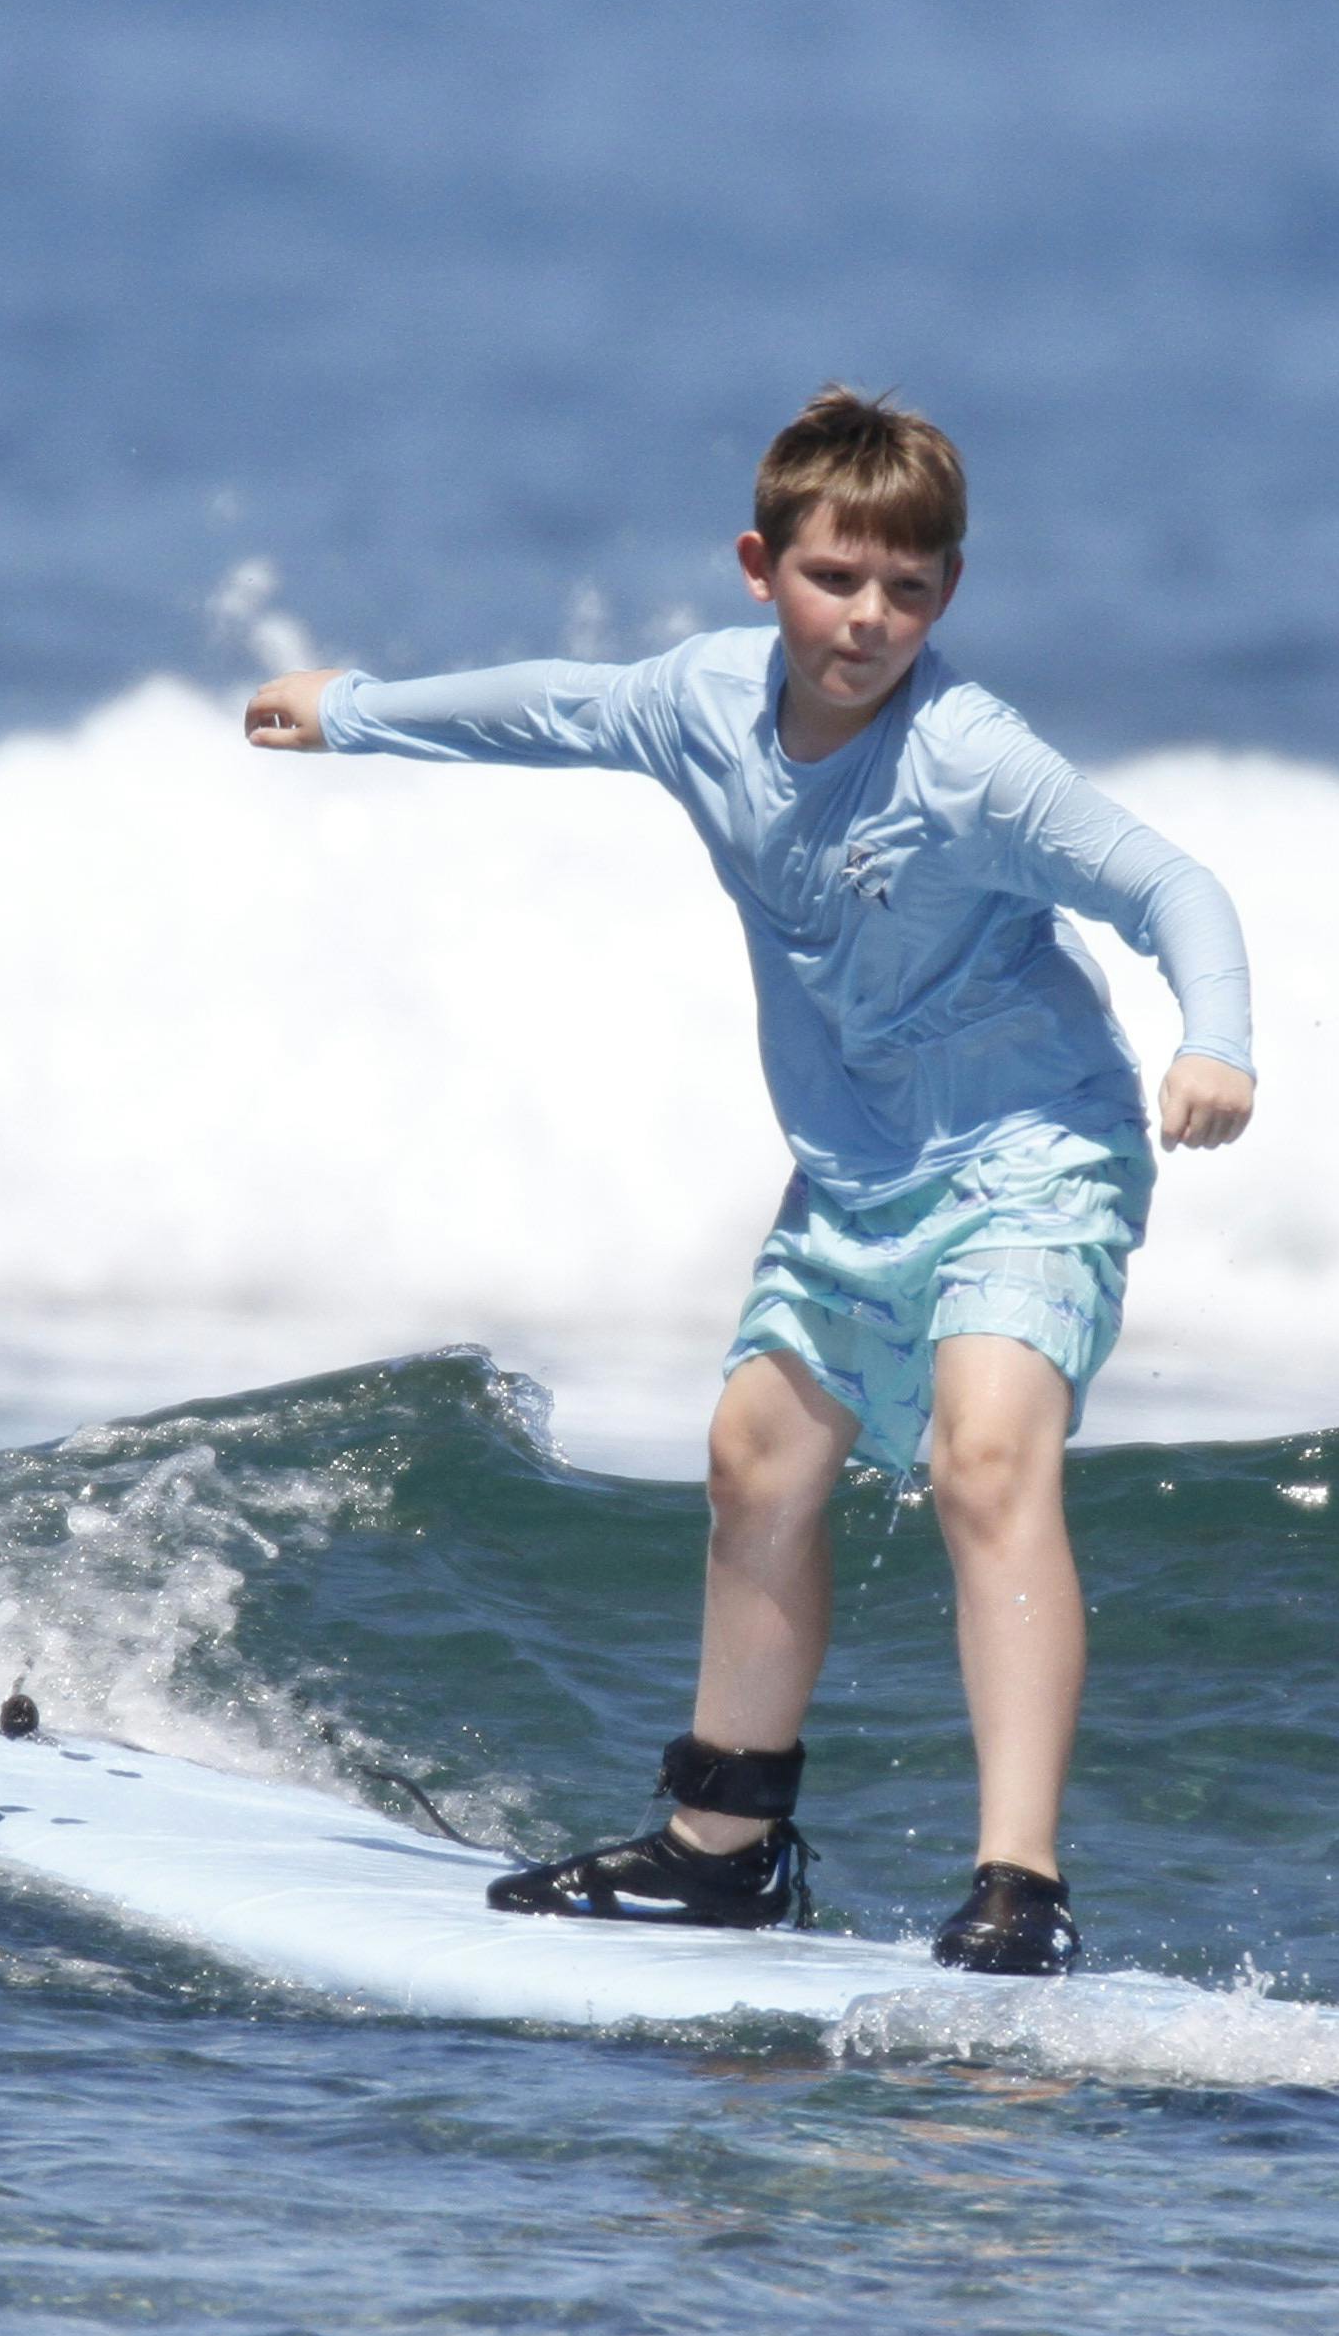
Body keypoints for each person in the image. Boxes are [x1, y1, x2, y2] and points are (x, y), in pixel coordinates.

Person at [240, 387, 1256, 1975]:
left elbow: (1165, 880)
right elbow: (557, 707)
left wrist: (1218, 1041)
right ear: (760, 566)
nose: (869, 620)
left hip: (1033, 1151)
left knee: (988, 1462)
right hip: (856, 1171)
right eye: (836, 580)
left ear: (949, 593)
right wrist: (356, 709)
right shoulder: (704, 703)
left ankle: (1021, 1886)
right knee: (754, 1465)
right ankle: (724, 1848)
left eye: (909, 590)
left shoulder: (971, 760)